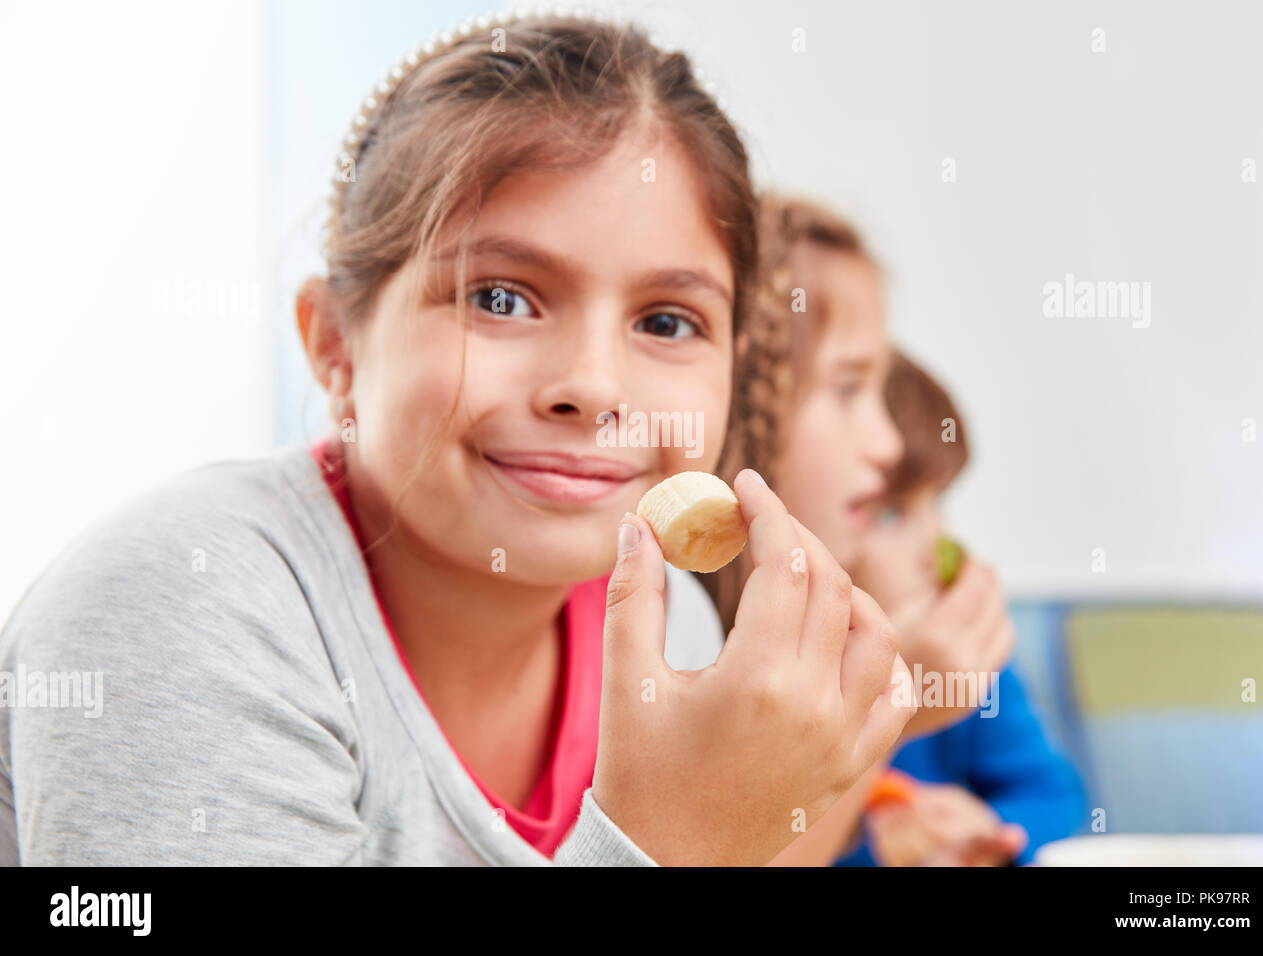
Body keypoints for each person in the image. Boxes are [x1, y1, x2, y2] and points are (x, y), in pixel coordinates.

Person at [0, 13, 912, 866]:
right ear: (334, 343)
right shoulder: (180, 605)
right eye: (499, 298)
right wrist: (672, 842)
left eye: (668, 322)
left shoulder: (668, 626)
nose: (593, 387)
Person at [703, 194, 1017, 865]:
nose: (883, 443)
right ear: (743, 407)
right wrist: (892, 704)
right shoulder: (680, 639)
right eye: (847, 389)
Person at [835, 350, 1087, 866]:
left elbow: (1056, 794)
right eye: (889, 515)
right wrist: (867, 841)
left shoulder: (966, 659)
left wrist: (988, 834)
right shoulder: (777, 682)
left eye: (938, 505)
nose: (938, 544)